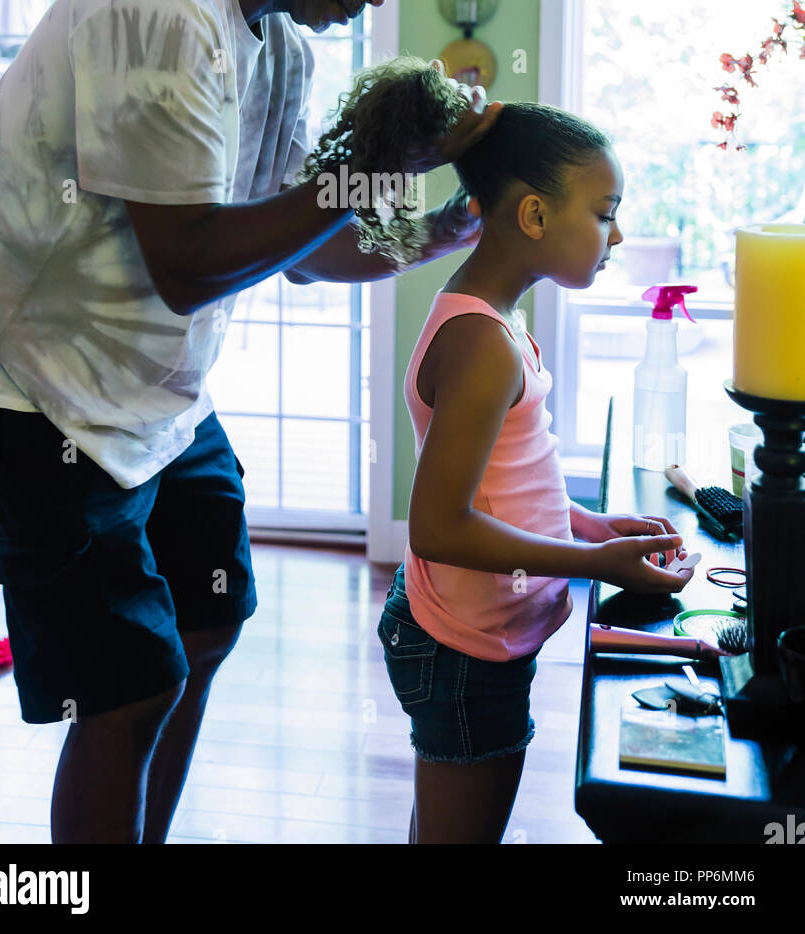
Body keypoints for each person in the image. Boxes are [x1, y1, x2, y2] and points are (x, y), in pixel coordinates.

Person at [0, 0, 502, 844]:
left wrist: (439, 226)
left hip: (142, 384)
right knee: (126, 688)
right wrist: (363, 167)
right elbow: (191, 261)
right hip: (16, 378)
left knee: (210, 607)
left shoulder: (283, 46)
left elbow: (293, 240)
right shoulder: (164, 8)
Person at [295, 54, 696, 845]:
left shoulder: (496, 321)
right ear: (536, 217)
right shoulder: (482, 343)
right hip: (462, 654)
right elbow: (439, 528)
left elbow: (503, 485)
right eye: (604, 211)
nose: (616, 233)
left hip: (472, 637)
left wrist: (589, 525)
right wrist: (595, 569)